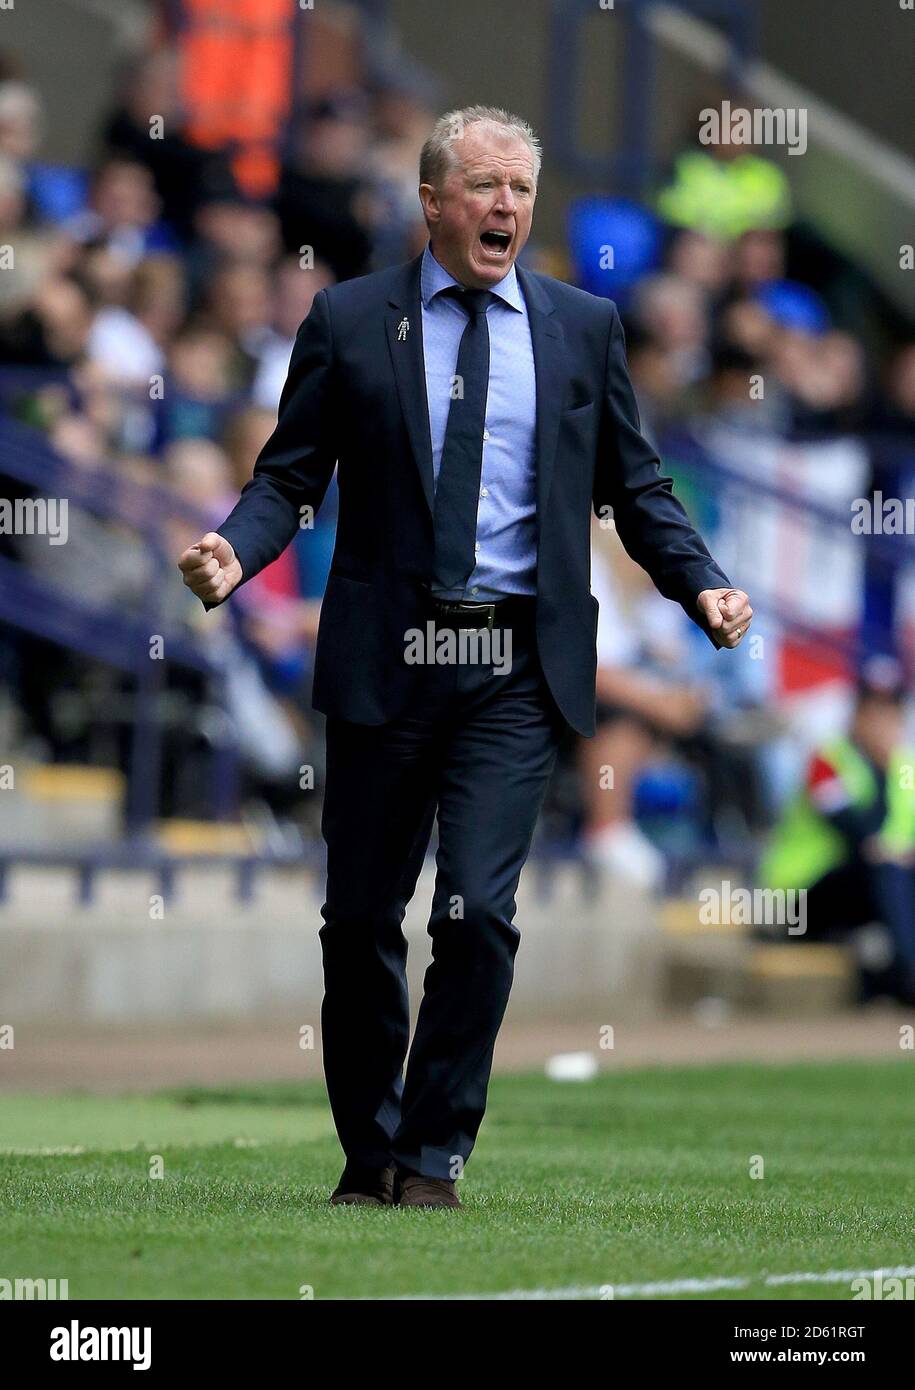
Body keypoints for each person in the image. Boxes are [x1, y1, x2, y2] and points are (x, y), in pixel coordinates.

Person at [178, 106, 750, 1209]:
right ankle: (370, 1147)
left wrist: (701, 584)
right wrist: (231, 555)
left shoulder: (583, 326)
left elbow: (637, 486)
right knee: (358, 921)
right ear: (431, 203)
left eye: (521, 189)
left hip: (514, 664)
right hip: (388, 658)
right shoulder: (348, 321)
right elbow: (286, 476)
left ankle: (435, 1150)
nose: (505, 207)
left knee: (476, 914)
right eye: (483, 186)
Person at [759, 658, 915, 1003]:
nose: (883, 724)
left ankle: (899, 973)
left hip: (863, 891)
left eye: (891, 714)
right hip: (799, 896)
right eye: (874, 713)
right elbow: (859, 832)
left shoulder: (907, 768)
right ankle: (909, 976)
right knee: (884, 866)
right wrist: (885, 772)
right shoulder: (828, 758)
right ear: (856, 716)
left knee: (893, 869)